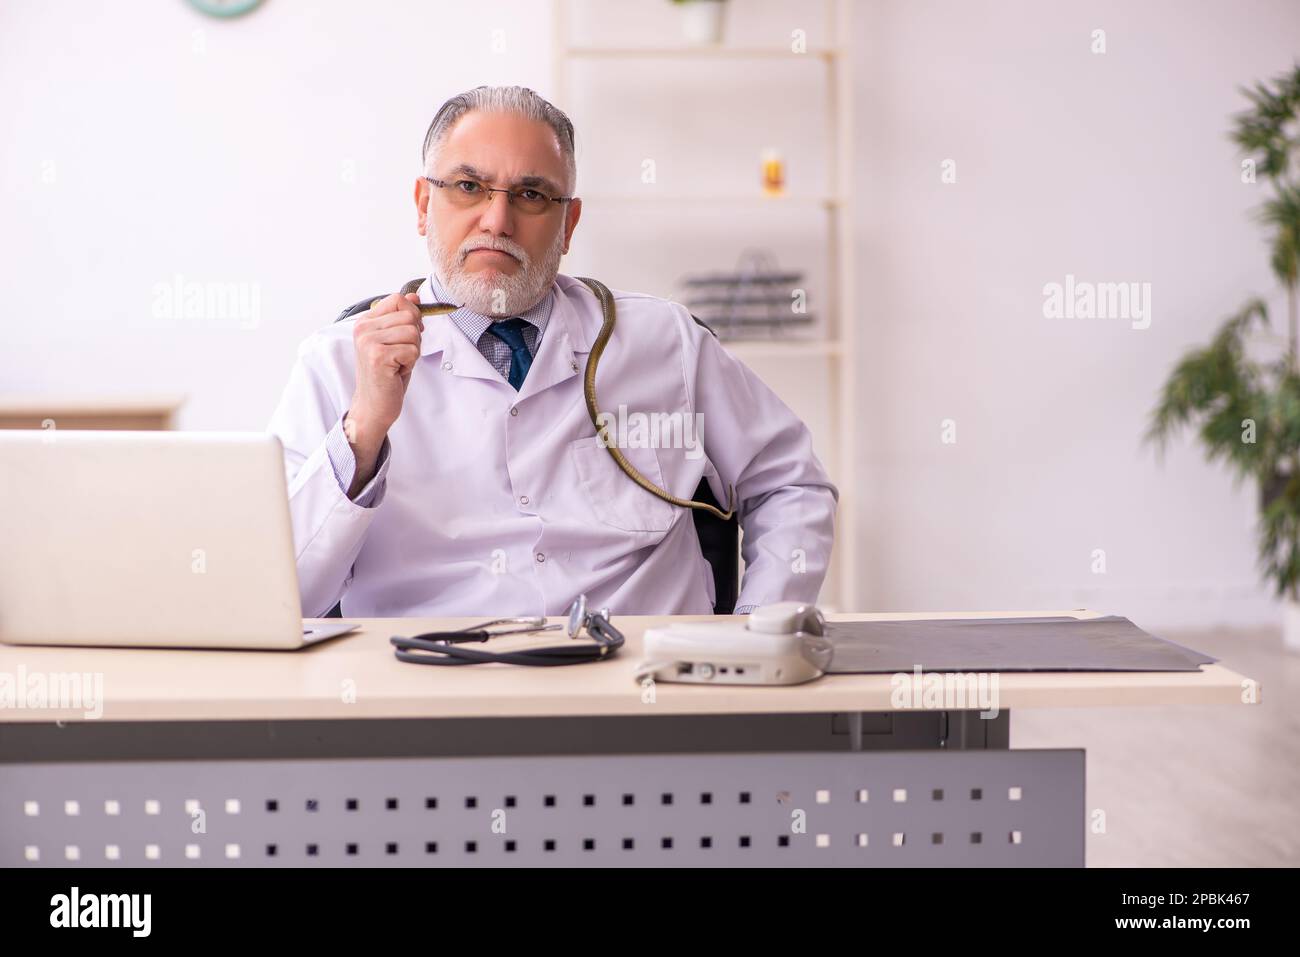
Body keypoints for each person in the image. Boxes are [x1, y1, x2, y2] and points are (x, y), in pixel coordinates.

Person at [267, 85, 837, 617]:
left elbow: (792, 484)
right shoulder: (335, 363)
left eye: (531, 195)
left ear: (569, 223)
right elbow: (285, 596)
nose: (497, 221)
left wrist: (760, 630)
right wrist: (364, 428)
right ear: (422, 204)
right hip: (431, 678)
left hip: (644, 674)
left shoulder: (667, 341)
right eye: (468, 187)